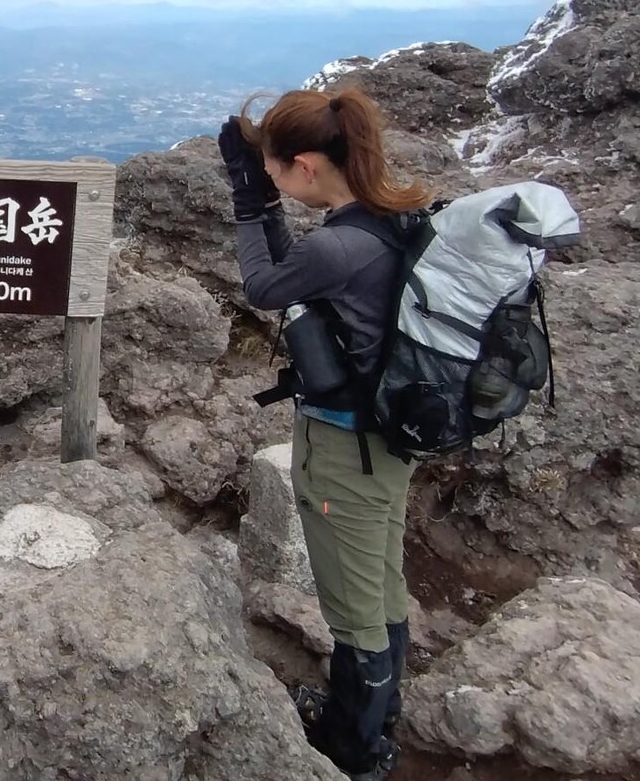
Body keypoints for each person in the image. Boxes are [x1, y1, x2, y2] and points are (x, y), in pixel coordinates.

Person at [217, 86, 431, 780]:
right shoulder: (382, 218)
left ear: (305, 166)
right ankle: (374, 712)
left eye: (273, 167)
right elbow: (301, 275)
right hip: (386, 444)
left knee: (352, 608)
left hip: (345, 452)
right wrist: (265, 201)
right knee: (381, 584)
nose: (268, 176)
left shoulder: (339, 244)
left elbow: (265, 285)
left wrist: (249, 205)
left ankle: (354, 749)